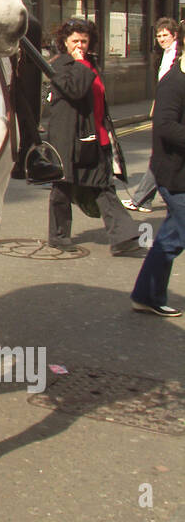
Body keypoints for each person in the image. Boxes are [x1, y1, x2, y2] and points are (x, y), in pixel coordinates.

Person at [42, 18, 142, 256]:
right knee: (63, 188)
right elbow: (75, 90)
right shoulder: (60, 66)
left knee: (103, 188)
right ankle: (58, 236)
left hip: (96, 138)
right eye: (75, 40)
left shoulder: (91, 63)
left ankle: (124, 239)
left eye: (84, 41)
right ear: (64, 42)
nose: (80, 45)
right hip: (68, 140)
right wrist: (79, 63)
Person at [130, 46, 185, 316]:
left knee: (172, 235)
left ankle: (145, 295)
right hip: (175, 174)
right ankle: (148, 295)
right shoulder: (174, 83)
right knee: (174, 237)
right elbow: (165, 126)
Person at [121, 18, 184, 210]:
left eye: (165, 35)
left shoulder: (175, 56)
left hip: (171, 111)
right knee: (160, 155)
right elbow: (167, 86)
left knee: (159, 156)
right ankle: (144, 197)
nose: (161, 39)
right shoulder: (167, 56)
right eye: (158, 35)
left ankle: (142, 198)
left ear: (175, 36)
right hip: (168, 108)